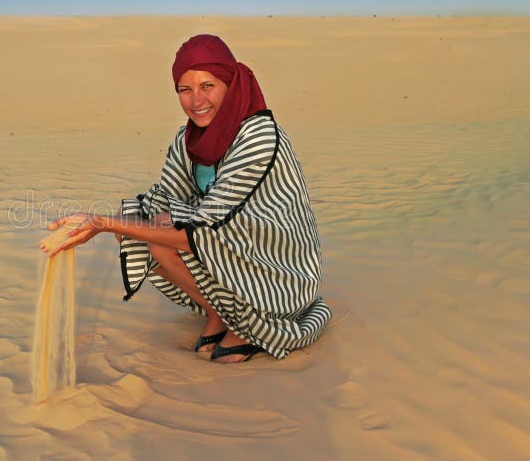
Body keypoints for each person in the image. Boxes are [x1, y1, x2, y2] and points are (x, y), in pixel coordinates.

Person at [47, 34, 331, 363]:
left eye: (208, 86)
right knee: (147, 233)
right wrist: (102, 222)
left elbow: (207, 229)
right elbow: (163, 201)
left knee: (164, 231)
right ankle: (221, 315)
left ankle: (253, 324)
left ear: (230, 83)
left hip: (278, 269)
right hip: (232, 248)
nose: (196, 100)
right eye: (185, 89)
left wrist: (102, 223)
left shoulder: (259, 136)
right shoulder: (187, 140)